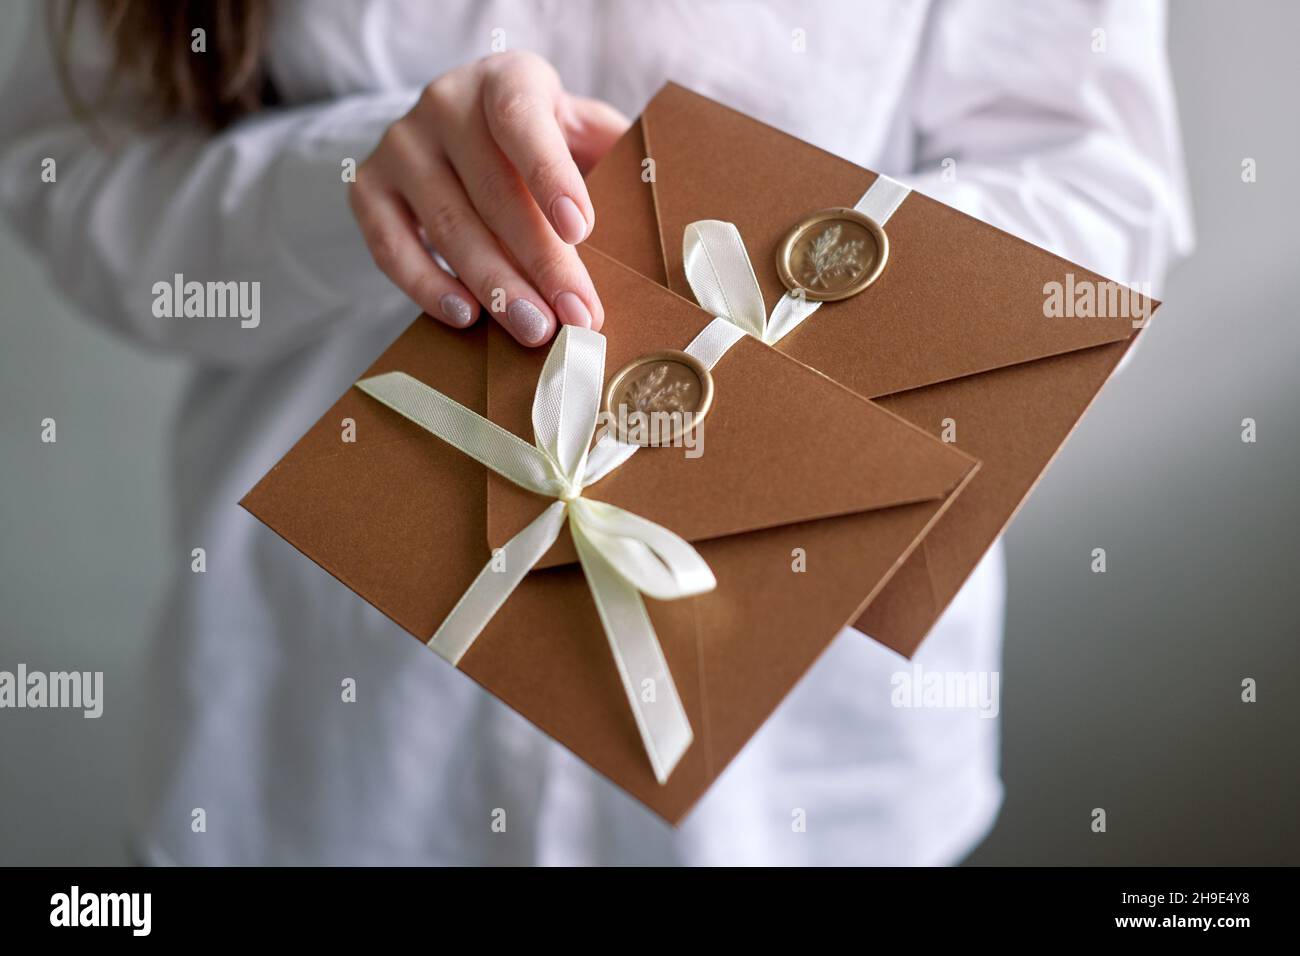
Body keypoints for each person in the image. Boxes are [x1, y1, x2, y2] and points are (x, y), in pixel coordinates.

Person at [0, 0, 1192, 864]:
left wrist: (732, 262)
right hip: (320, 738)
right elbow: (71, 171)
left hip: (792, 776)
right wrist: (353, 176)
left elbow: (1098, 203)